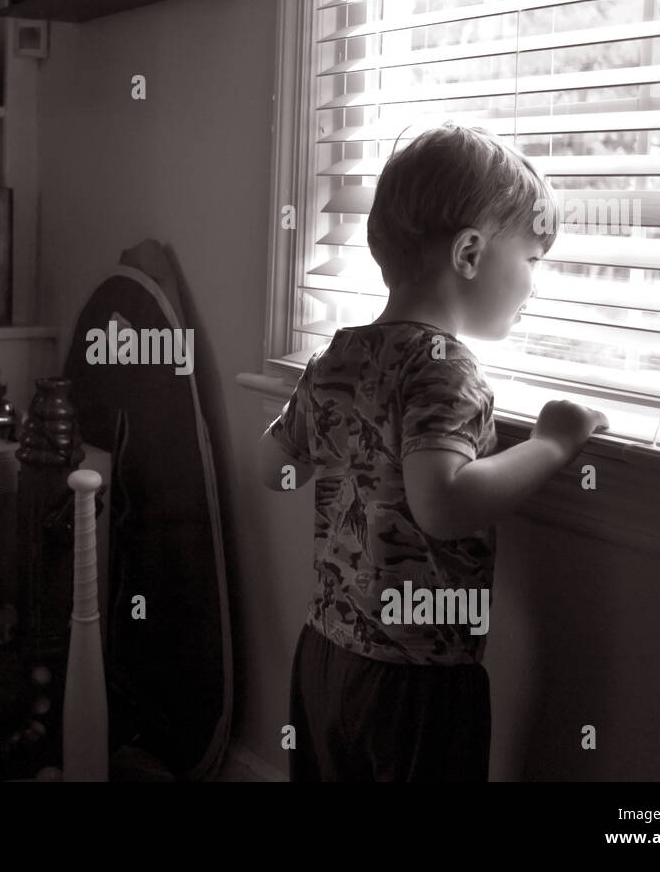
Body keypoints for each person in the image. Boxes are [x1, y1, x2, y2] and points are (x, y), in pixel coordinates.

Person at [258, 124, 609, 781]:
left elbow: (272, 471)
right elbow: (443, 504)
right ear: (470, 254)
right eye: (532, 260)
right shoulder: (445, 366)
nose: (534, 284)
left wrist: (329, 427)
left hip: (325, 657)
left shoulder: (338, 355)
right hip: (414, 681)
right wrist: (554, 444)